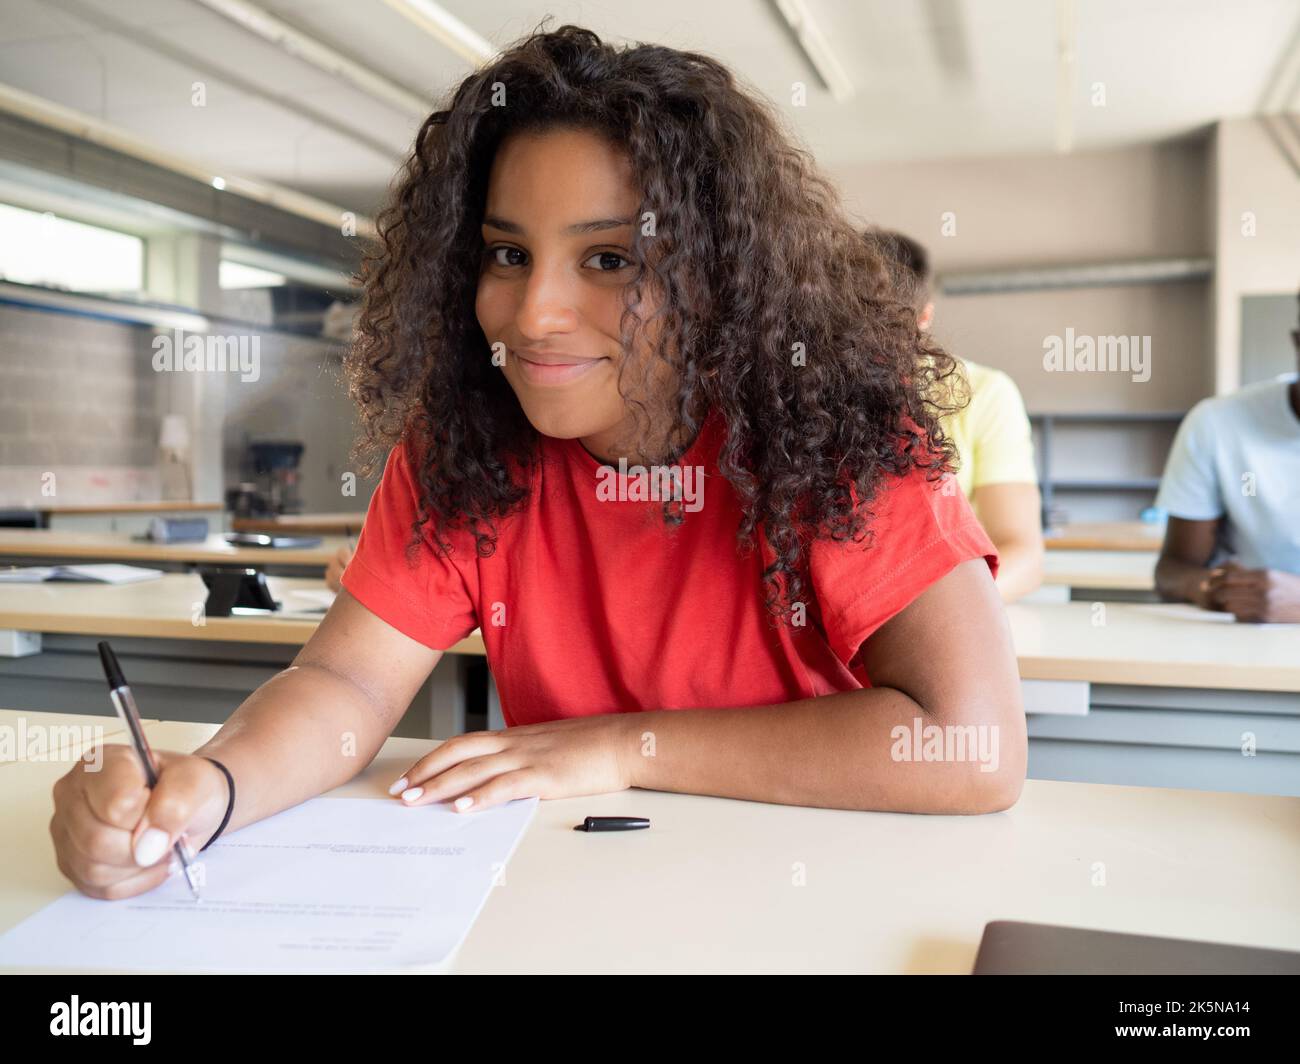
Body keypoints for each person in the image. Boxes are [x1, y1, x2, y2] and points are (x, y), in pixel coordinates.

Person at [50, 26, 1026, 901]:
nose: (531, 314)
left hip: (809, 895)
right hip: (565, 896)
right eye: (506, 255)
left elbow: (969, 744)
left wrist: (619, 747)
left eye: (609, 260)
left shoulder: (837, 436)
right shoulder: (459, 448)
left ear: (720, 277)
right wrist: (212, 789)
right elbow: (345, 688)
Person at [868, 230, 1044, 602]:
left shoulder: (986, 393)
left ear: (924, 318)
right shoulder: (809, 395)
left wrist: (937, 620)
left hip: (937, 620)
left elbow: (1024, 555)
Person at [1154, 289, 1300, 622]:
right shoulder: (1217, 423)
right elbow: (1172, 570)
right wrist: (1213, 587)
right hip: (1246, 644)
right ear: (1296, 343)